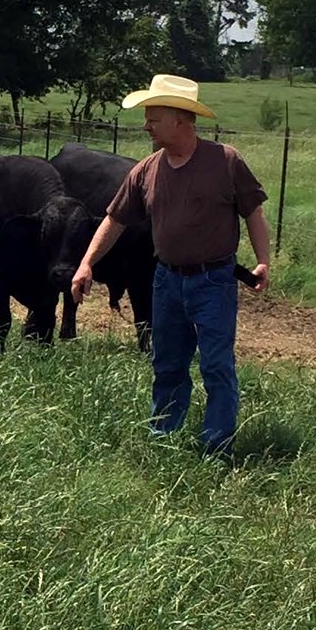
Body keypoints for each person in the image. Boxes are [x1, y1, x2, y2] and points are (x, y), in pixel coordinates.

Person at [69, 74, 270, 455]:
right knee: (168, 365)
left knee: (216, 365)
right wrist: (86, 264)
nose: (146, 126)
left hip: (214, 280)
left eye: (153, 118)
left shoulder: (225, 162)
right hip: (165, 281)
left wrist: (263, 262)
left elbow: (253, 213)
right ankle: (165, 439)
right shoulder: (145, 170)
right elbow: (114, 220)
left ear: (180, 119)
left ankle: (217, 447)